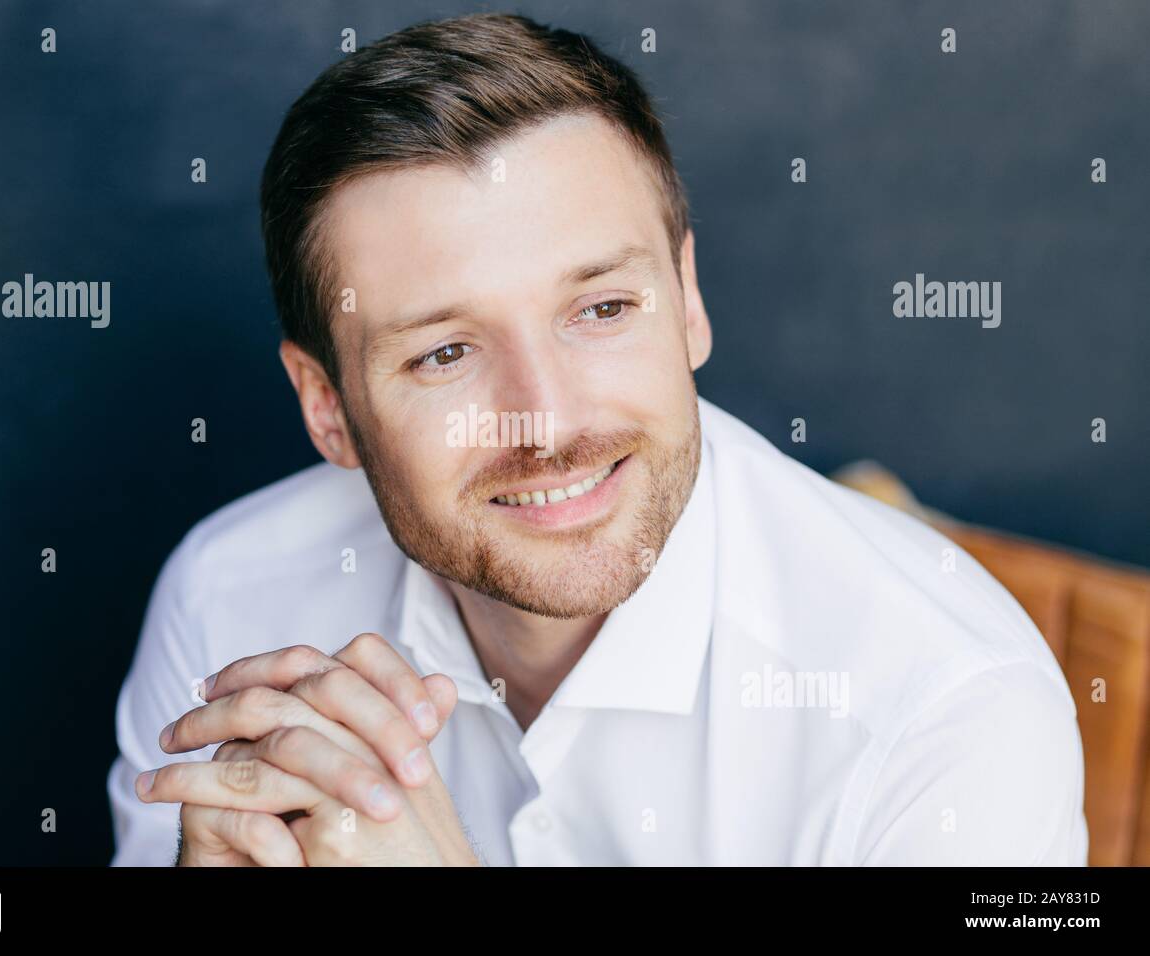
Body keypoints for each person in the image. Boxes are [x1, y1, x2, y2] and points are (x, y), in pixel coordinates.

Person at [106, 12, 1087, 866]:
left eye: (602, 306)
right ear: (326, 406)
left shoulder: (945, 711)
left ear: (688, 300)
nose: (549, 422)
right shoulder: (229, 597)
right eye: (445, 353)